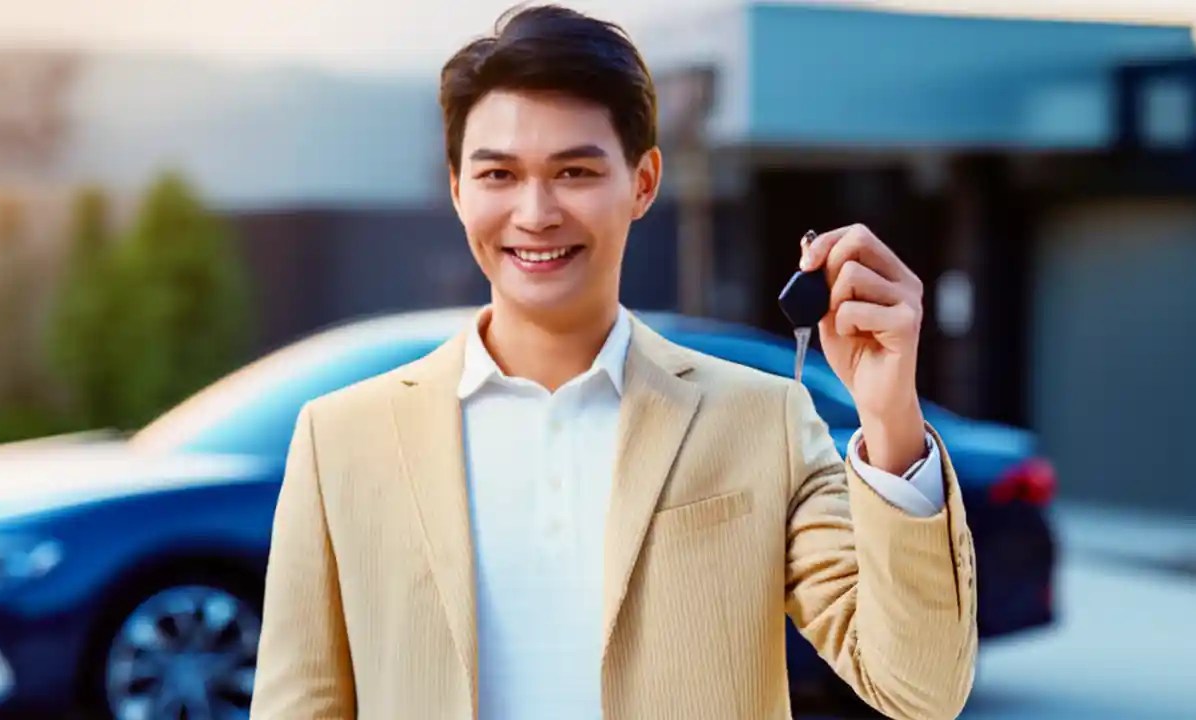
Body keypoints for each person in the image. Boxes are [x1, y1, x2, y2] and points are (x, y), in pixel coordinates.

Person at [251, 5, 976, 719]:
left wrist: (889, 416)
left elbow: (919, 690)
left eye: (573, 171)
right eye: (499, 175)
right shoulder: (341, 440)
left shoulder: (764, 423)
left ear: (644, 182)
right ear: (456, 188)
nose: (535, 213)